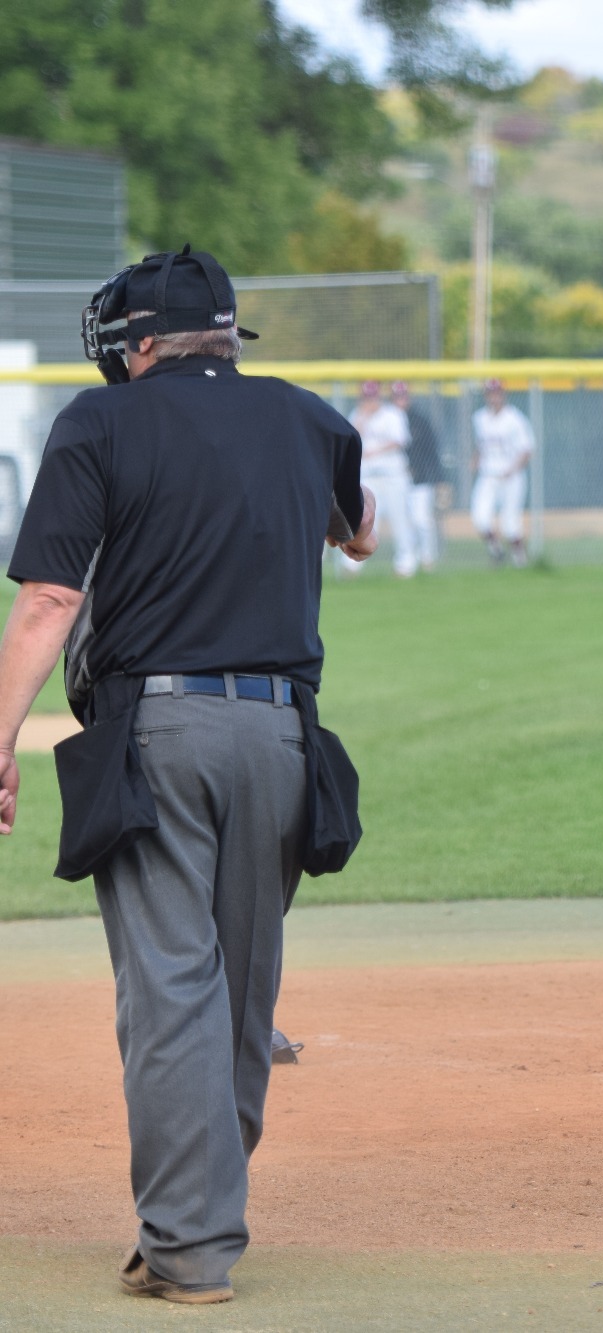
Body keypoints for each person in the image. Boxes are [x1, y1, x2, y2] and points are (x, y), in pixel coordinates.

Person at [0, 247, 375, 1305]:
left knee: (171, 988)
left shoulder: (99, 421)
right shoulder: (306, 416)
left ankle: (191, 1245)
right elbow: (361, 534)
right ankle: (198, 1212)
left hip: (158, 731)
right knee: (241, 994)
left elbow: (50, 601)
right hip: (282, 736)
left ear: (141, 345)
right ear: (227, 334)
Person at [344, 379, 414, 578]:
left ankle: (406, 563)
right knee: (363, 520)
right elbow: (351, 438)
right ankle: (352, 563)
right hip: (369, 478)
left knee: (400, 520)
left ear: (379, 396)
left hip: (393, 476)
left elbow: (399, 441)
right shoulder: (357, 414)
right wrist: (364, 416)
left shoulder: (393, 414)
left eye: (372, 396)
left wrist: (375, 451)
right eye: (366, 397)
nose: (369, 400)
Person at [471, 378, 534, 567]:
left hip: (511, 476)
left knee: (510, 524)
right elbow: (482, 445)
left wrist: (513, 469)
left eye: (497, 393)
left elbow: (527, 450)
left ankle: (520, 559)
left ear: (503, 394)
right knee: (480, 518)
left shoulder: (514, 418)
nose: (494, 397)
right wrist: (475, 460)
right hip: (488, 475)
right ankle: (497, 551)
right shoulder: (480, 418)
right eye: (490, 393)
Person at [393, 380, 445, 573]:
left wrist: (440, 480)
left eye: (403, 396)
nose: (400, 400)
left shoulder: (419, 421)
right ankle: (409, 559)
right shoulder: (388, 420)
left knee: (422, 520)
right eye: (396, 397)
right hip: (398, 480)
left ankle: (428, 557)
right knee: (406, 523)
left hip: (421, 480)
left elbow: (432, 453)